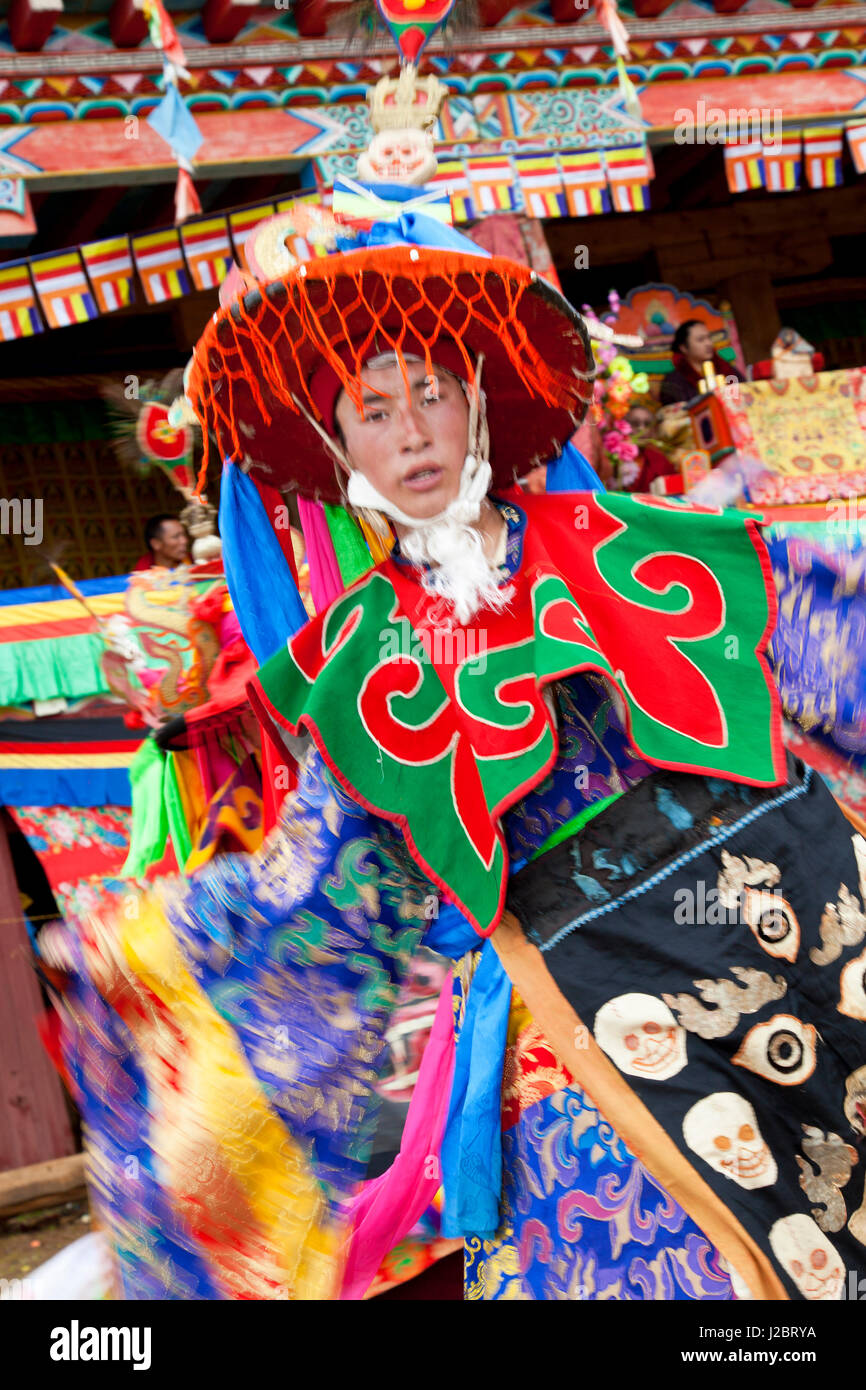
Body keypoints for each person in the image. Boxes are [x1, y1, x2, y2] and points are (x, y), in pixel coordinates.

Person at [48, 240, 866, 1302]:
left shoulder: (635, 542)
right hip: (578, 1010)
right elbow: (321, 896)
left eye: (429, 394)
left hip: (800, 931)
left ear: (477, 407)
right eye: (372, 412)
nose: (408, 433)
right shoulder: (357, 664)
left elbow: (830, 650)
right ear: (340, 449)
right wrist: (144, 946)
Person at [660, 318, 745, 407]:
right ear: (683, 348)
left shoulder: (727, 370)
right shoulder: (673, 382)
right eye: (700, 340)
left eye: (709, 338)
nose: (708, 343)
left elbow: (746, 393)